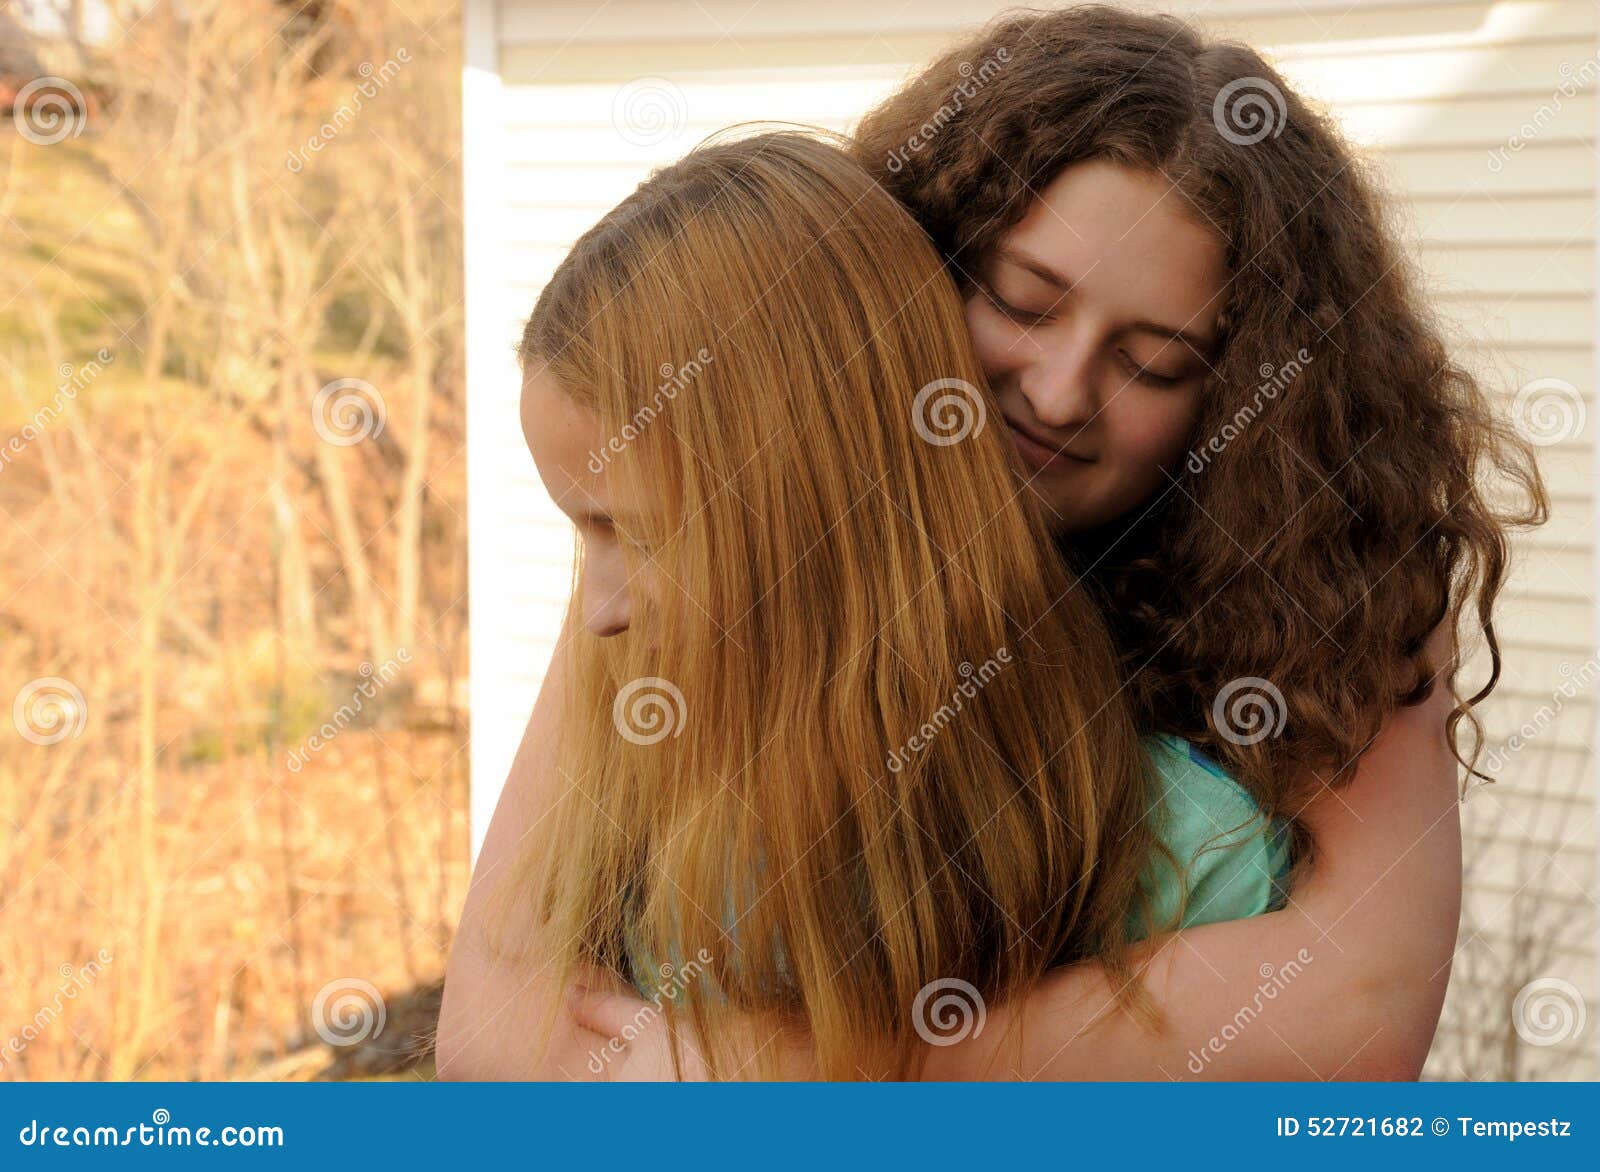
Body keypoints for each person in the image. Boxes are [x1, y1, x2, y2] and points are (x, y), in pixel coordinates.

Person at [436, 130, 1289, 1081]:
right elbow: (492, 1055)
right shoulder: (659, 773)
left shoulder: (1186, 855)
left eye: (638, 533)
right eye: (1022, 302)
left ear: (810, 495)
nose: (598, 612)